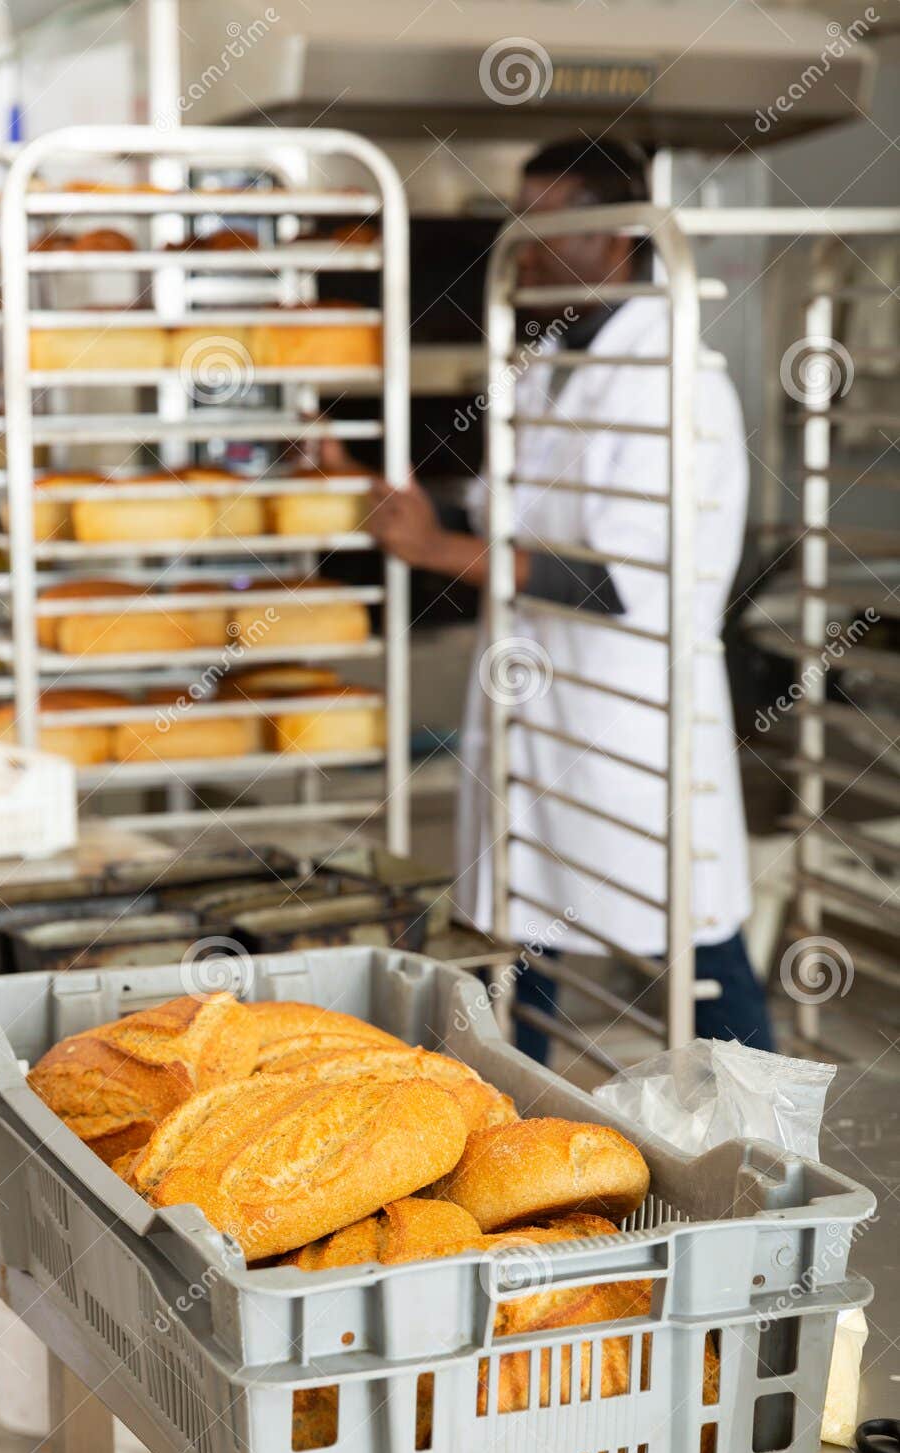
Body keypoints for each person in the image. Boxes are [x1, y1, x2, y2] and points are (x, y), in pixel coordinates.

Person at [327, 137, 773, 1059]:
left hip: (628, 722)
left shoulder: (679, 387)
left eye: (545, 225)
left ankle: (768, 1144)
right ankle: (511, 1125)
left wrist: (437, 548)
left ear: (612, 234)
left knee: (690, 940)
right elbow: (506, 516)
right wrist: (412, 507)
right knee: (517, 934)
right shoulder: (546, 361)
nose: (522, 246)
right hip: (537, 705)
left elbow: (620, 578)